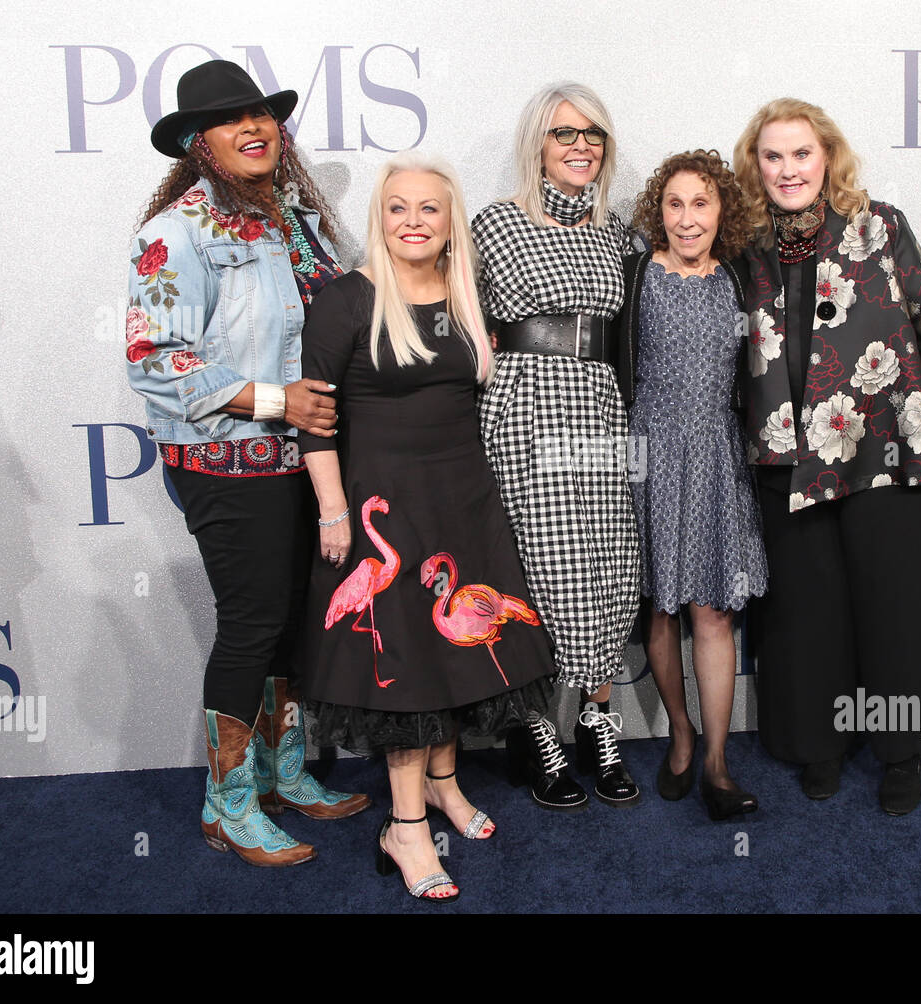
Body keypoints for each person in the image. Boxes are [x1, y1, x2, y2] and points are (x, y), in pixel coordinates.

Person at [128, 59, 368, 868]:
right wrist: (276, 401)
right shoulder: (179, 230)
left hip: (308, 463)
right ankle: (226, 806)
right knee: (252, 625)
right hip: (226, 462)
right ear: (199, 144)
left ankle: (281, 775)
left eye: (263, 113)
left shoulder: (297, 222)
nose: (255, 127)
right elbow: (154, 358)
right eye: (233, 120)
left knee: (292, 628)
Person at [296, 151, 555, 902]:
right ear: (381, 218)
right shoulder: (346, 299)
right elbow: (316, 420)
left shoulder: (464, 295)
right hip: (388, 505)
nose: (413, 222)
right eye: (398, 208)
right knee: (406, 666)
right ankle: (404, 829)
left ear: (450, 224)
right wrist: (335, 511)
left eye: (429, 209)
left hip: (463, 502)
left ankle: (442, 786)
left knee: (450, 656)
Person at [732, 98, 921, 815]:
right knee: (807, 616)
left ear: (828, 158)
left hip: (891, 452)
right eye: (773, 156)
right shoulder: (743, 244)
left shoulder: (882, 226)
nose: (788, 170)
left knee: (897, 612)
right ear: (755, 166)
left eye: (802, 154)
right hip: (789, 463)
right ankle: (821, 745)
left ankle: (899, 754)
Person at [472, 82, 642, 810]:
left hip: (598, 404)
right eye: (564, 133)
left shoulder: (617, 231)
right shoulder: (495, 225)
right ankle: (538, 730)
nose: (580, 146)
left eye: (593, 134)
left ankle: (601, 722)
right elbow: (455, 320)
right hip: (525, 405)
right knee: (539, 570)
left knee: (606, 561)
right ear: (537, 145)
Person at [616, 150, 766, 820]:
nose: (686, 217)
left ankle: (715, 761)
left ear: (721, 211)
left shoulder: (741, 279)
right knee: (660, 609)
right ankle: (678, 731)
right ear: (659, 210)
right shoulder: (638, 272)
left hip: (715, 454)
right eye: (674, 203)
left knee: (712, 611)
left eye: (700, 203)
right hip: (648, 451)